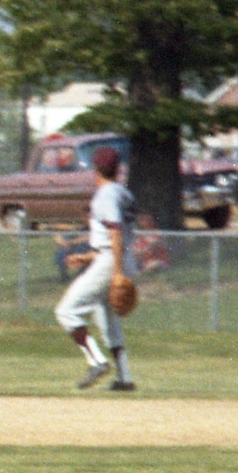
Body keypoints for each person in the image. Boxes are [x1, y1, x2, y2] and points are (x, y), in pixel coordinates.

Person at [54, 144, 136, 392]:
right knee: (107, 322)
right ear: (117, 168)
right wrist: (86, 257)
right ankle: (124, 378)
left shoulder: (106, 195)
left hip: (112, 261)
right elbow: (113, 239)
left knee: (66, 312)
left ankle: (97, 361)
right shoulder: (123, 193)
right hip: (118, 258)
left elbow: (115, 233)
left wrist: (116, 272)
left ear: (95, 168)